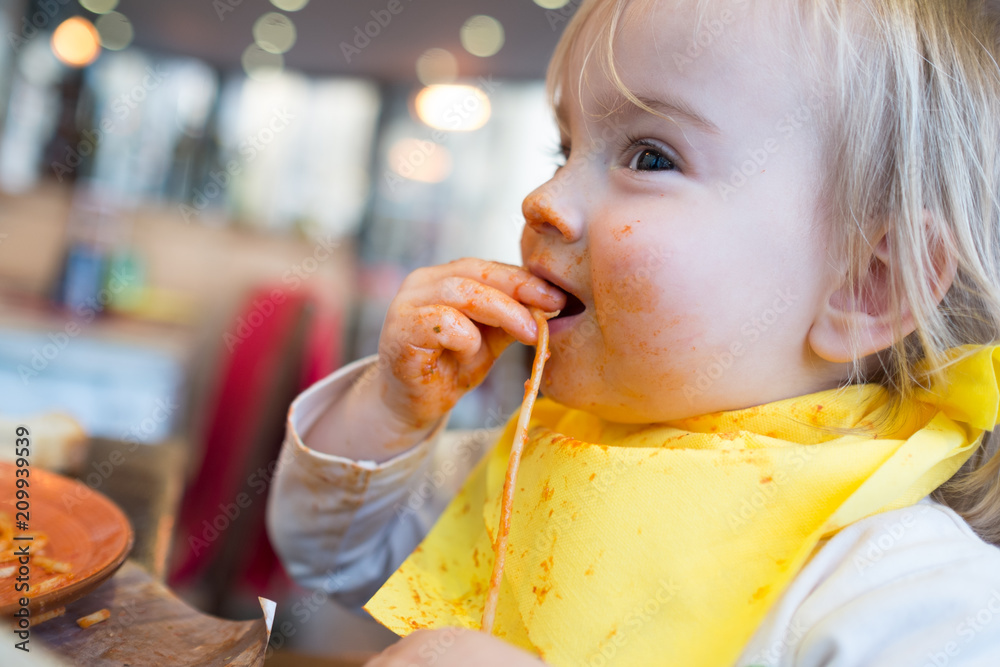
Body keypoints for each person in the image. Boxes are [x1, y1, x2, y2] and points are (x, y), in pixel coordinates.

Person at [266, 0, 1000, 664]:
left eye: (650, 156)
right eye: (563, 149)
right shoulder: (533, 460)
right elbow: (327, 554)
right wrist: (391, 412)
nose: (542, 201)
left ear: (865, 285)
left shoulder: (900, 588)